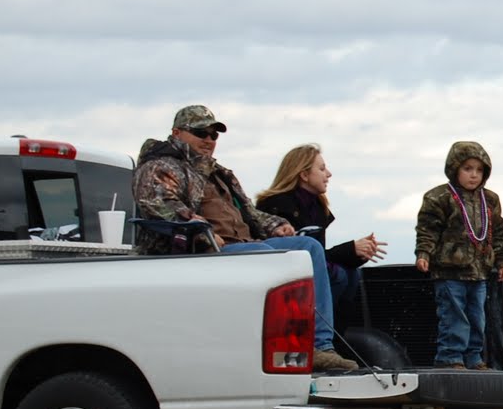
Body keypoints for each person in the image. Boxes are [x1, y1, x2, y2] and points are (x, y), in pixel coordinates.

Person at [132, 105, 358, 372]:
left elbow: (250, 213)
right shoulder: (161, 166)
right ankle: (286, 348)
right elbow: (156, 203)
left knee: (307, 247)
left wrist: (276, 223)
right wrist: (196, 226)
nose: (208, 140)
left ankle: (320, 346)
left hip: (243, 246)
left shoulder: (219, 172)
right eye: (200, 132)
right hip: (202, 251)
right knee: (265, 255)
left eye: (214, 135)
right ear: (177, 133)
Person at [256, 144, 387, 315]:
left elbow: (321, 257)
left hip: (307, 275)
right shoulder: (276, 206)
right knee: (339, 275)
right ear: (304, 175)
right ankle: (318, 333)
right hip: (284, 283)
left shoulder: (317, 206)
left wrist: (358, 254)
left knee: (352, 274)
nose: (329, 174)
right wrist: (349, 250)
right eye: (322, 169)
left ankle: (336, 334)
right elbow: (303, 259)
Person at [415, 141, 503, 369]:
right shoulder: (439, 197)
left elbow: (498, 232)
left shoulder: (490, 199)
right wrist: (423, 253)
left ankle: (473, 357)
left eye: (479, 170)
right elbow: (427, 229)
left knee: (478, 318)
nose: (474, 175)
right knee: (454, 317)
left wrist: (502, 260)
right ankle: (451, 357)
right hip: (449, 271)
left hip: (479, 272)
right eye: (467, 169)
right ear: (454, 168)